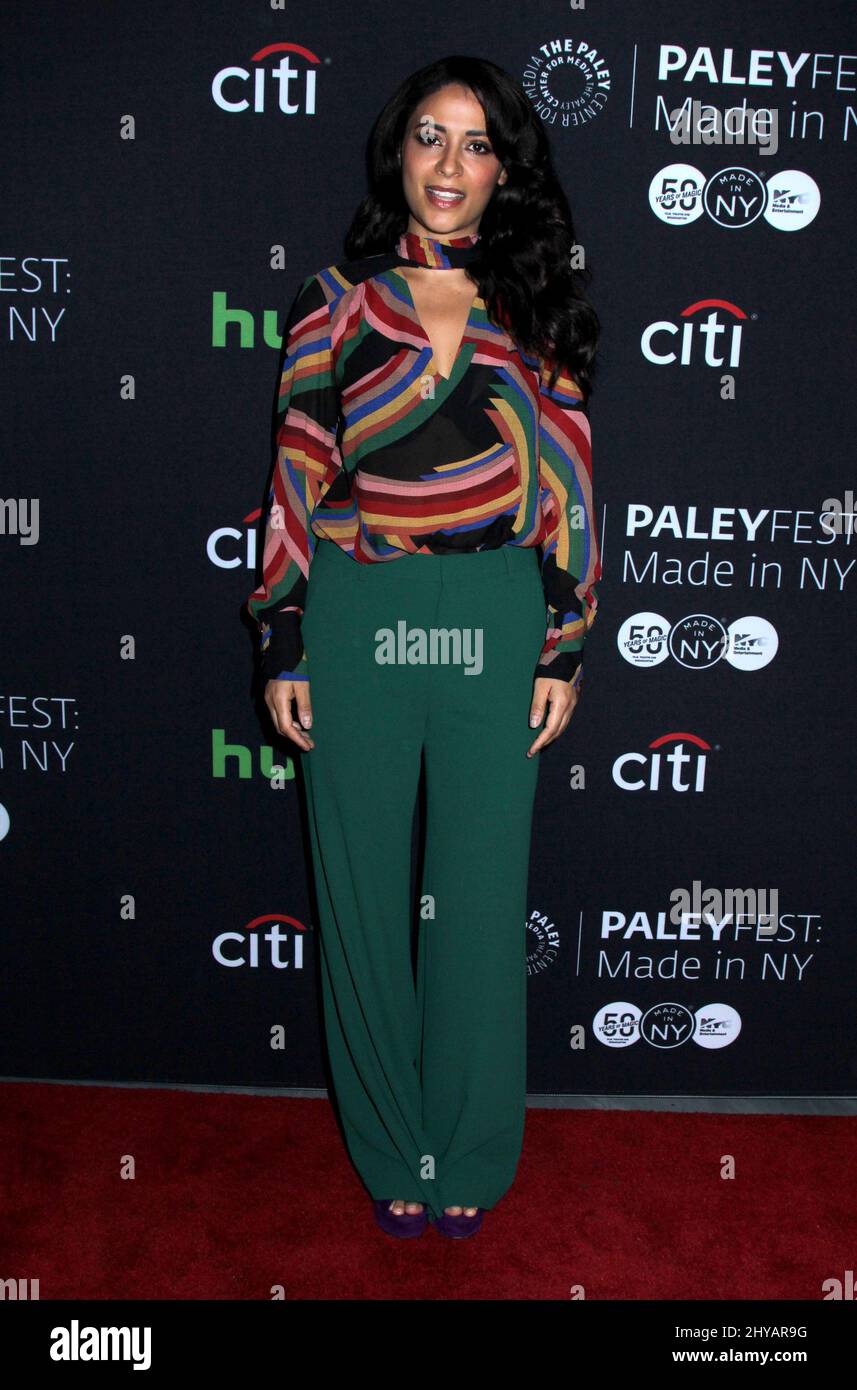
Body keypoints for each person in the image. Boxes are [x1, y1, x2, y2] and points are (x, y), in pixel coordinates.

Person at [246, 55, 601, 1240]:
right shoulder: (331, 301)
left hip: (495, 614)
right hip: (357, 611)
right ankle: (396, 1145)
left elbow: (568, 485)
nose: (450, 167)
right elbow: (297, 472)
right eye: (431, 140)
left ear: (506, 169)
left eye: (477, 145)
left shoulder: (533, 306)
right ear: (397, 153)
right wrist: (285, 635)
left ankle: (471, 1155)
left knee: (476, 899)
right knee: (357, 896)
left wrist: (562, 642)